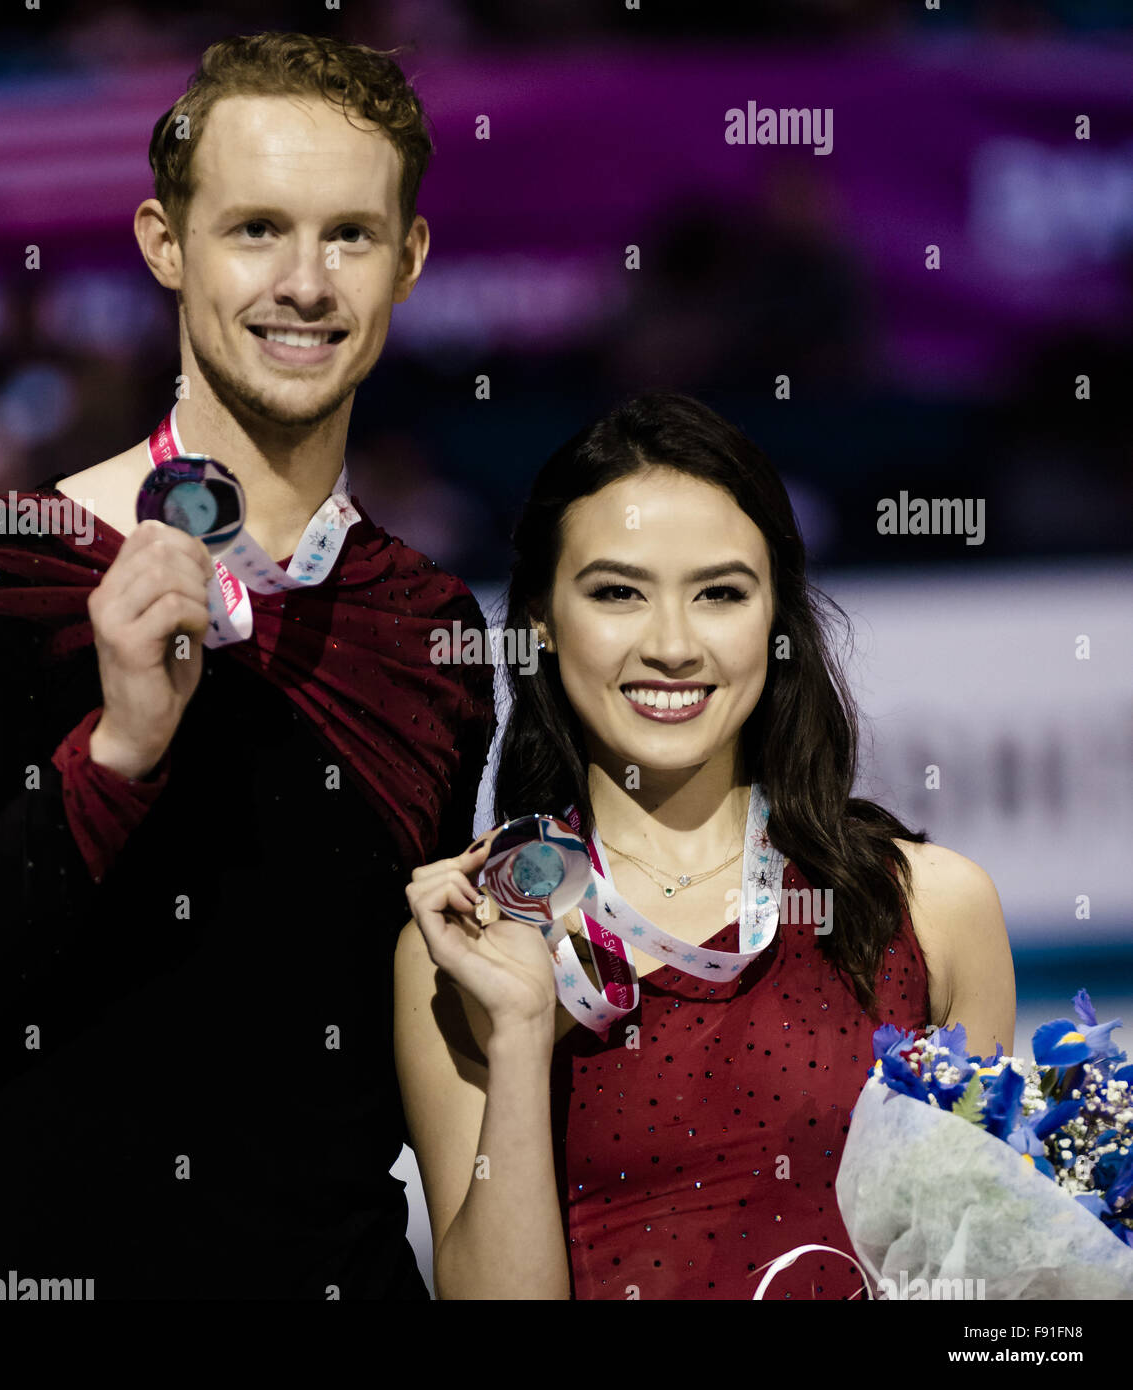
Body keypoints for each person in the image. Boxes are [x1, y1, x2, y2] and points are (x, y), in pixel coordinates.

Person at [0, 31, 493, 1300]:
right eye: (256, 229)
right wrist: (118, 755)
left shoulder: (429, 628)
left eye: (349, 236)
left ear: (408, 260)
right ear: (164, 243)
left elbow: (416, 1059)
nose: (303, 283)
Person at [395, 391, 1015, 1300]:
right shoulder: (470, 940)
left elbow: (991, 1294)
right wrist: (523, 1032)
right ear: (539, 620)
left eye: (720, 593)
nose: (674, 645)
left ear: (775, 618)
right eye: (617, 593)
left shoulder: (932, 908)